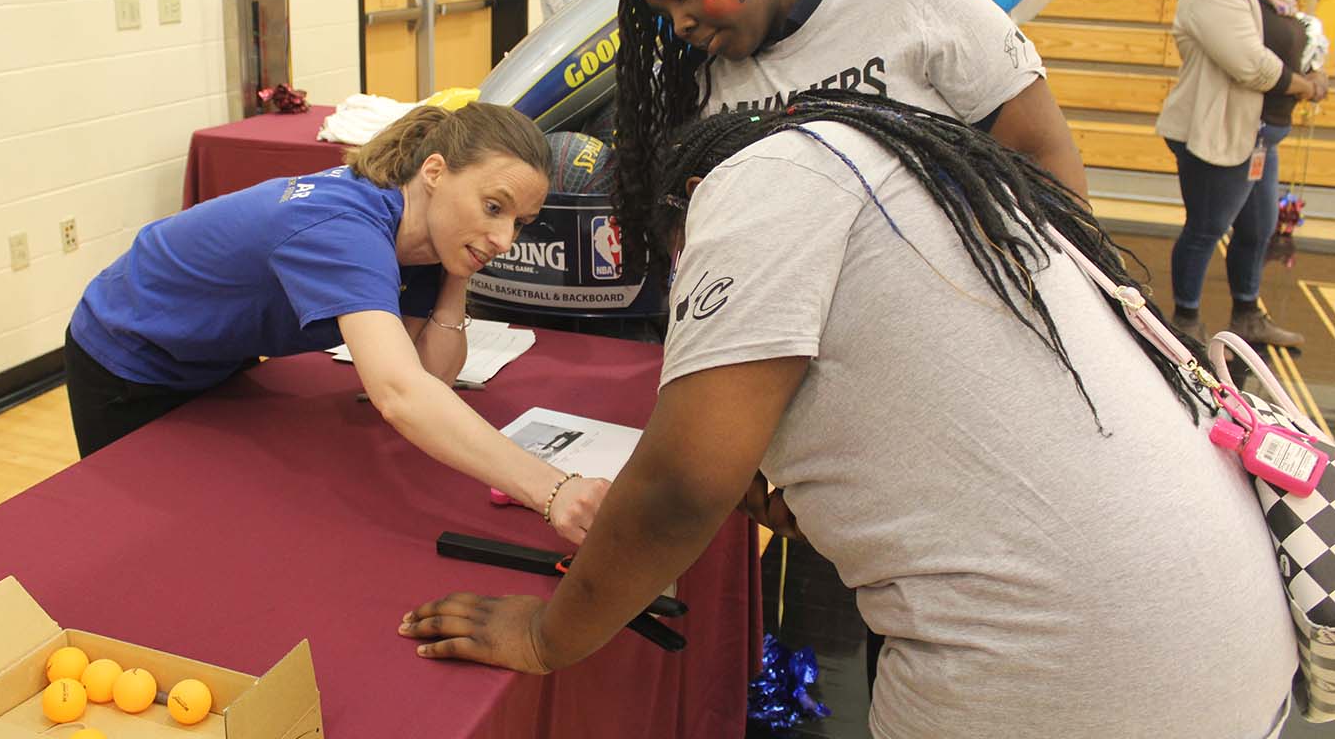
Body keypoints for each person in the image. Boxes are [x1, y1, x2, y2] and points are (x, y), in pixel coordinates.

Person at [397, 93, 1296, 739]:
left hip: (1058, 678)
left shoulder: (758, 184)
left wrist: (545, 637)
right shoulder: (924, 183)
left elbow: (678, 489)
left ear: (691, 199)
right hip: (1232, 644)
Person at [63, 103, 608, 542]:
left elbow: (431, 377)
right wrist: (551, 489)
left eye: (520, 222)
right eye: (494, 207)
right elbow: (399, 394)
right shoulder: (344, 228)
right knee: (152, 534)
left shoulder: (423, 237)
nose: (506, 238)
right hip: (126, 354)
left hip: (212, 356)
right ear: (435, 171)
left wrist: (459, 272)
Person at [607, 0, 1088, 275]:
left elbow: (1041, 152)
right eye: (664, 13)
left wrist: (1078, 300)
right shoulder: (704, 86)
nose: (680, 23)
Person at [1157, 0, 1325, 347]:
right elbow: (1250, 64)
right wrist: (1303, 87)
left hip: (1257, 135)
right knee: (1207, 228)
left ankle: (1248, 315)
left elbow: (1291, 38)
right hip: (1217, 131)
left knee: (1257, 228)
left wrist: (1312, 65)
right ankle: (1186, 323)